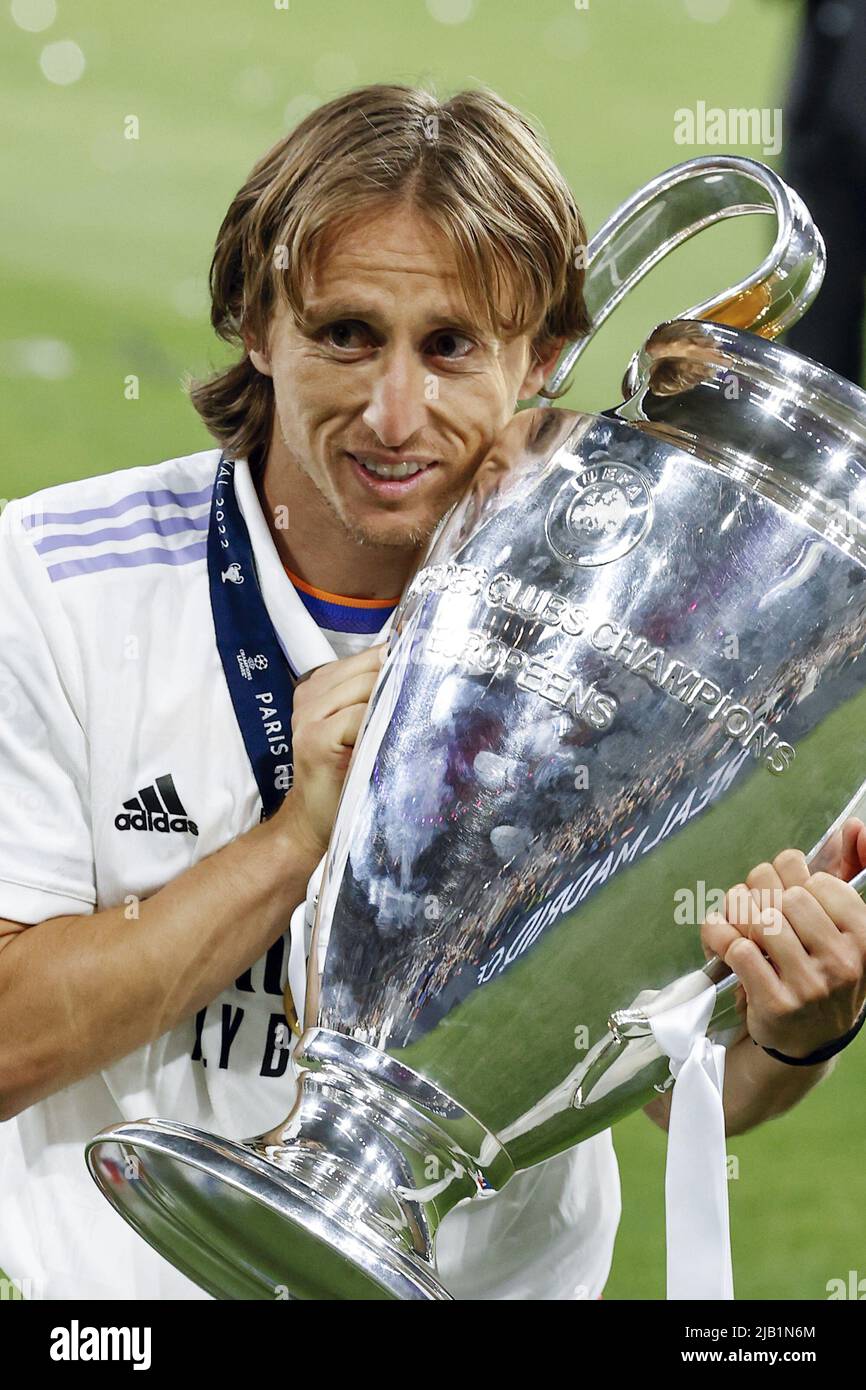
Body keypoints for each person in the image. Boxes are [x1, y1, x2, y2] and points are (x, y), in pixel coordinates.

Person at [1, 83, 864, 1302]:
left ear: (543, 354)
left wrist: (794, 1025)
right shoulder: (53, 580)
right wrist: (298, 840)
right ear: (255, 322)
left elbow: (681, 1086)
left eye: (452, 345)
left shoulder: (667, 639)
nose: (394, 413)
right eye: (346, 334)